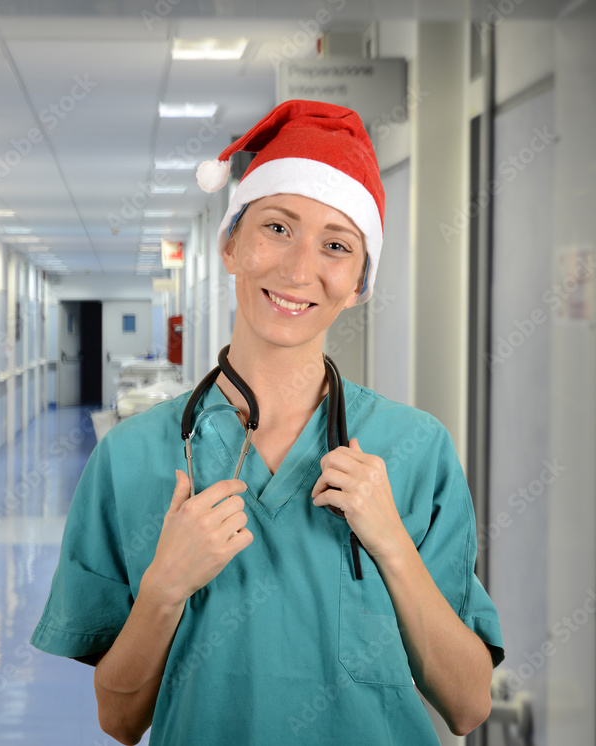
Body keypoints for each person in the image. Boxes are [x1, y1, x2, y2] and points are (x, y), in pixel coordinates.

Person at [30, 100, 504, 745]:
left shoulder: (415, 448)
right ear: (231, 245)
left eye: (336, 245)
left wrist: (391, 542)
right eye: (277, 228)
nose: (298, 268)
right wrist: (165, 588)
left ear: (360, 281)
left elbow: (470, 702)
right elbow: (120, 719)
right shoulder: (134, 456)